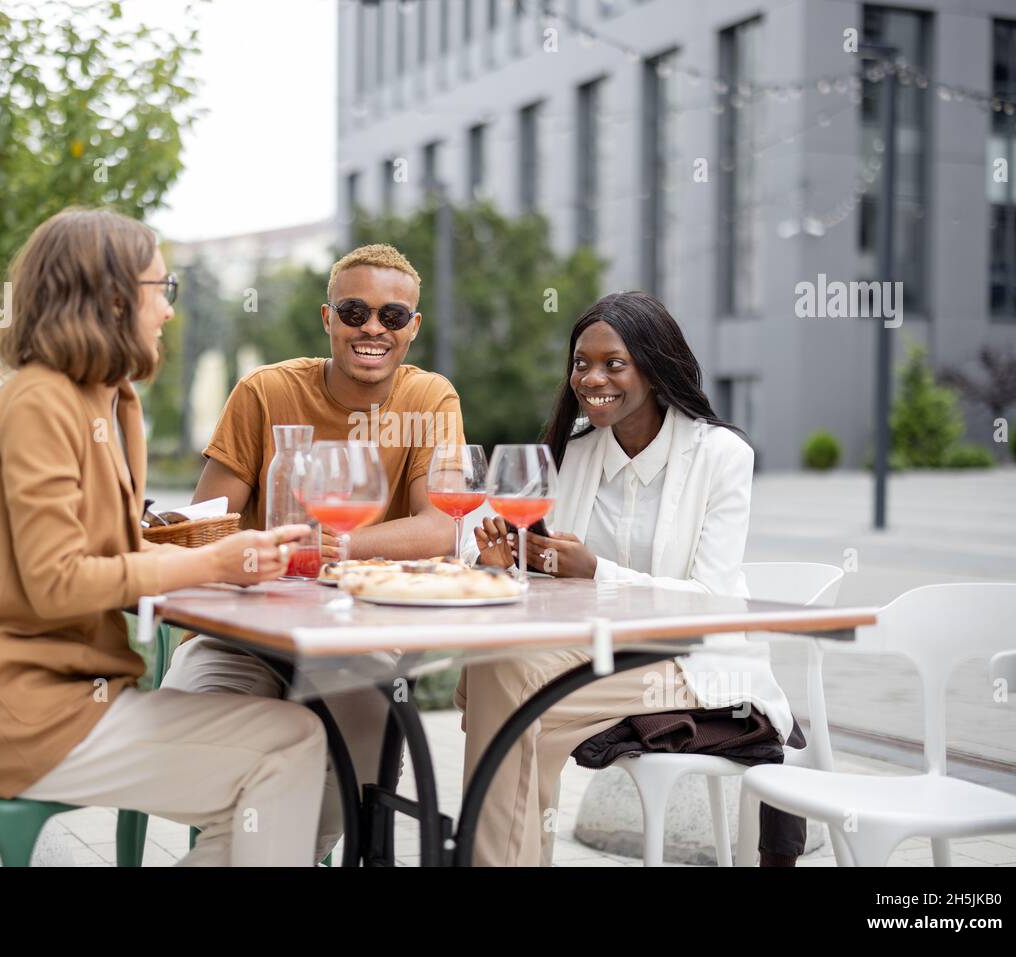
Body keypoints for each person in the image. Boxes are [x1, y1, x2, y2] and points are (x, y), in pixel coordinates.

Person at [0, 207, 326, 866]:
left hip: (64, 700)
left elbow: (110, 555)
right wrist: (212, 563)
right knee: (291, 747)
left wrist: (226, 562)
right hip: (17, 716)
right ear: (114, 299)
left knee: (281, 761)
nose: (169, 311)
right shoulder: (39, 401)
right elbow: (58, 582)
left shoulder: (106, 399)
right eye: (160, 291)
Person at [463, 290, 805, 867]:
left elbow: (714, 603)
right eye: (580, 363)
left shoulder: (721, 456)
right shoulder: (574, 455)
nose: (591, 377)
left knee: (505, 687)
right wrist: (512, 568)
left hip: (692, 660)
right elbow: (560, 587)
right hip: (592, 653)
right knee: (506, 686)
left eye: (612, 363)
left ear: (653, 366)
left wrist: (598, 572)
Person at [161, 242, 465, 863]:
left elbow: (440, 528)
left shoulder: (430, 399)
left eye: (392, 316)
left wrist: (336, 548)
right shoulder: (264, 392)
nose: (373, 328)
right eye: (354, 312)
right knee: (195, 744)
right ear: (328, 319)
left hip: (359, 642)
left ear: (413, 328)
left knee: (348, 784)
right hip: (241, 634)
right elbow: (207, 523)